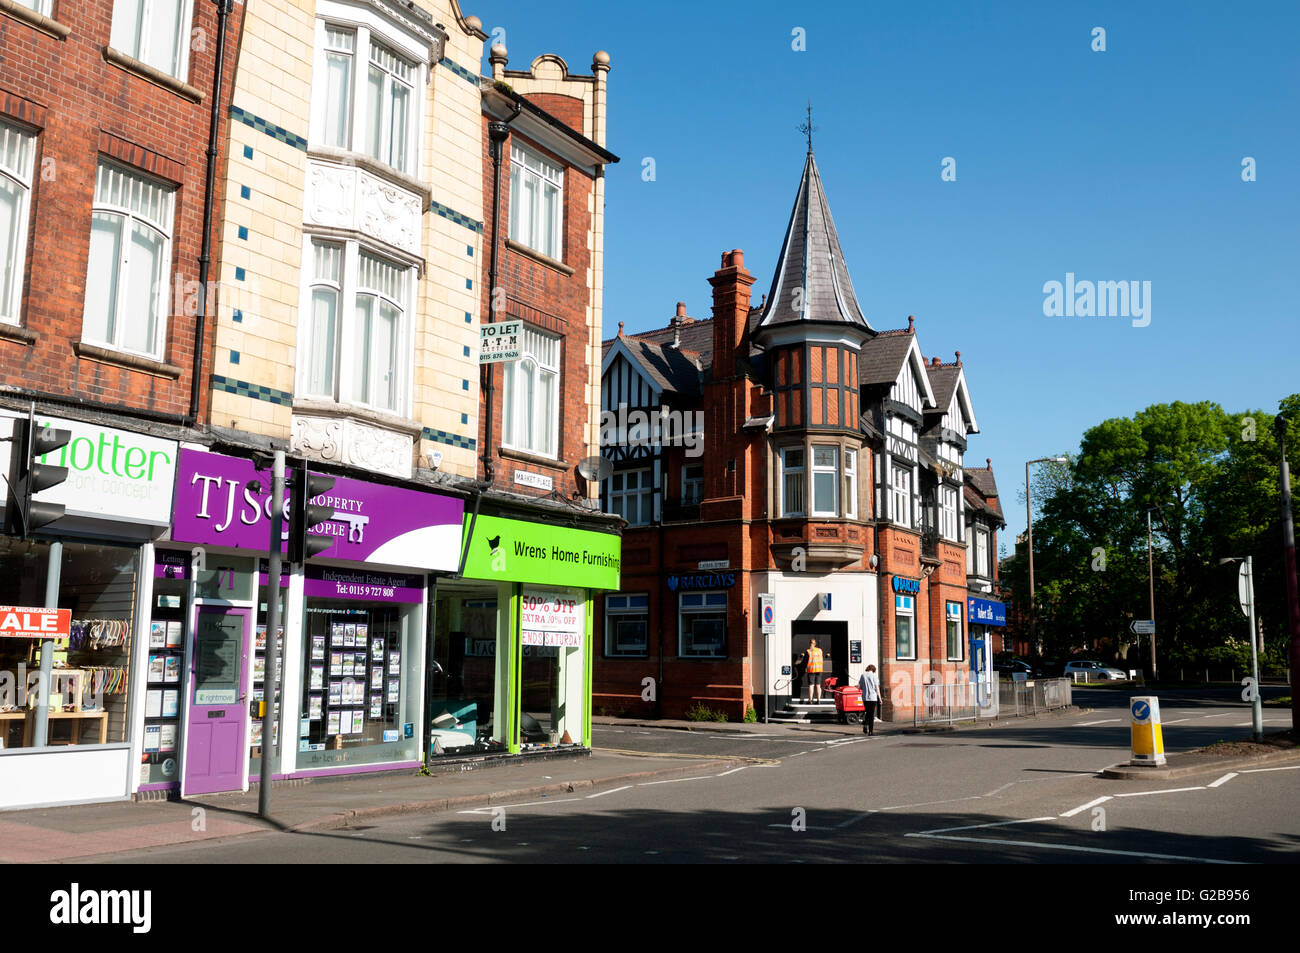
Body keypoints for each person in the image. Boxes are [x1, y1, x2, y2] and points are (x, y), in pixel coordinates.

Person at [857, 664, 880, 735]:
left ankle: (865, 725)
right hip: (872, 697)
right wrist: (879, 698)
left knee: (867, 712)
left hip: (865, 697)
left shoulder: (863, 675)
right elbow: (877, 688)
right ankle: (870, 731)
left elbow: (859, 687)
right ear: (873, 670)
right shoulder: (874, 676)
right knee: (871, 714)